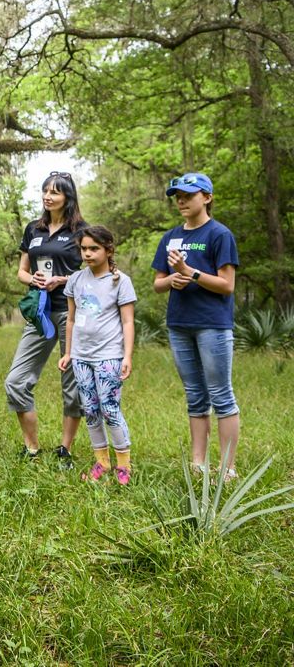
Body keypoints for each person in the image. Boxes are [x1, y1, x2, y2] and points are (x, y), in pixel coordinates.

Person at [152, 172, 240, 479]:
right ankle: (198, 463)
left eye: (188, 195)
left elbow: (227, 285)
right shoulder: (170, 237)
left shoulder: (219, 235)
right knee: (195, 395)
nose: (181, 200)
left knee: (221, 394)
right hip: (179, 324)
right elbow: (157, 284)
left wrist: (189, 272)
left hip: (212, 325)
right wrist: (171, 280)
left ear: (207, 197)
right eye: (178, 195)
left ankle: (228, 468)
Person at [4, 171, 87, 468]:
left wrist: (62, 279)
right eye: (45, 191)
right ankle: (32, 448)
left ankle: (65, 449)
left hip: (71, 312)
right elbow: (21, 271)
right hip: (38, 312)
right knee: (15, 381)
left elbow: (92, 270)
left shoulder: (80, 230)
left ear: (68, 197)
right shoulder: (33, 229)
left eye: (55, 192)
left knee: (72, 383)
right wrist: (35, 279)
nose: (48, 196)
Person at [58, 225, 137, 485]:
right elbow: (70, 319)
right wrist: (68, 353)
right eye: (84, 249)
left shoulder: (119, 281)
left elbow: (127, 322)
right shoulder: (75, 280)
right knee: (90, 409)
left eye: (94, 248)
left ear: (108, 250)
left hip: (109, 355)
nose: (88, 254)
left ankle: (123, 465)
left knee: (109, 408)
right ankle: (101, 461)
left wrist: (126, 356)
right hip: (81, 356)